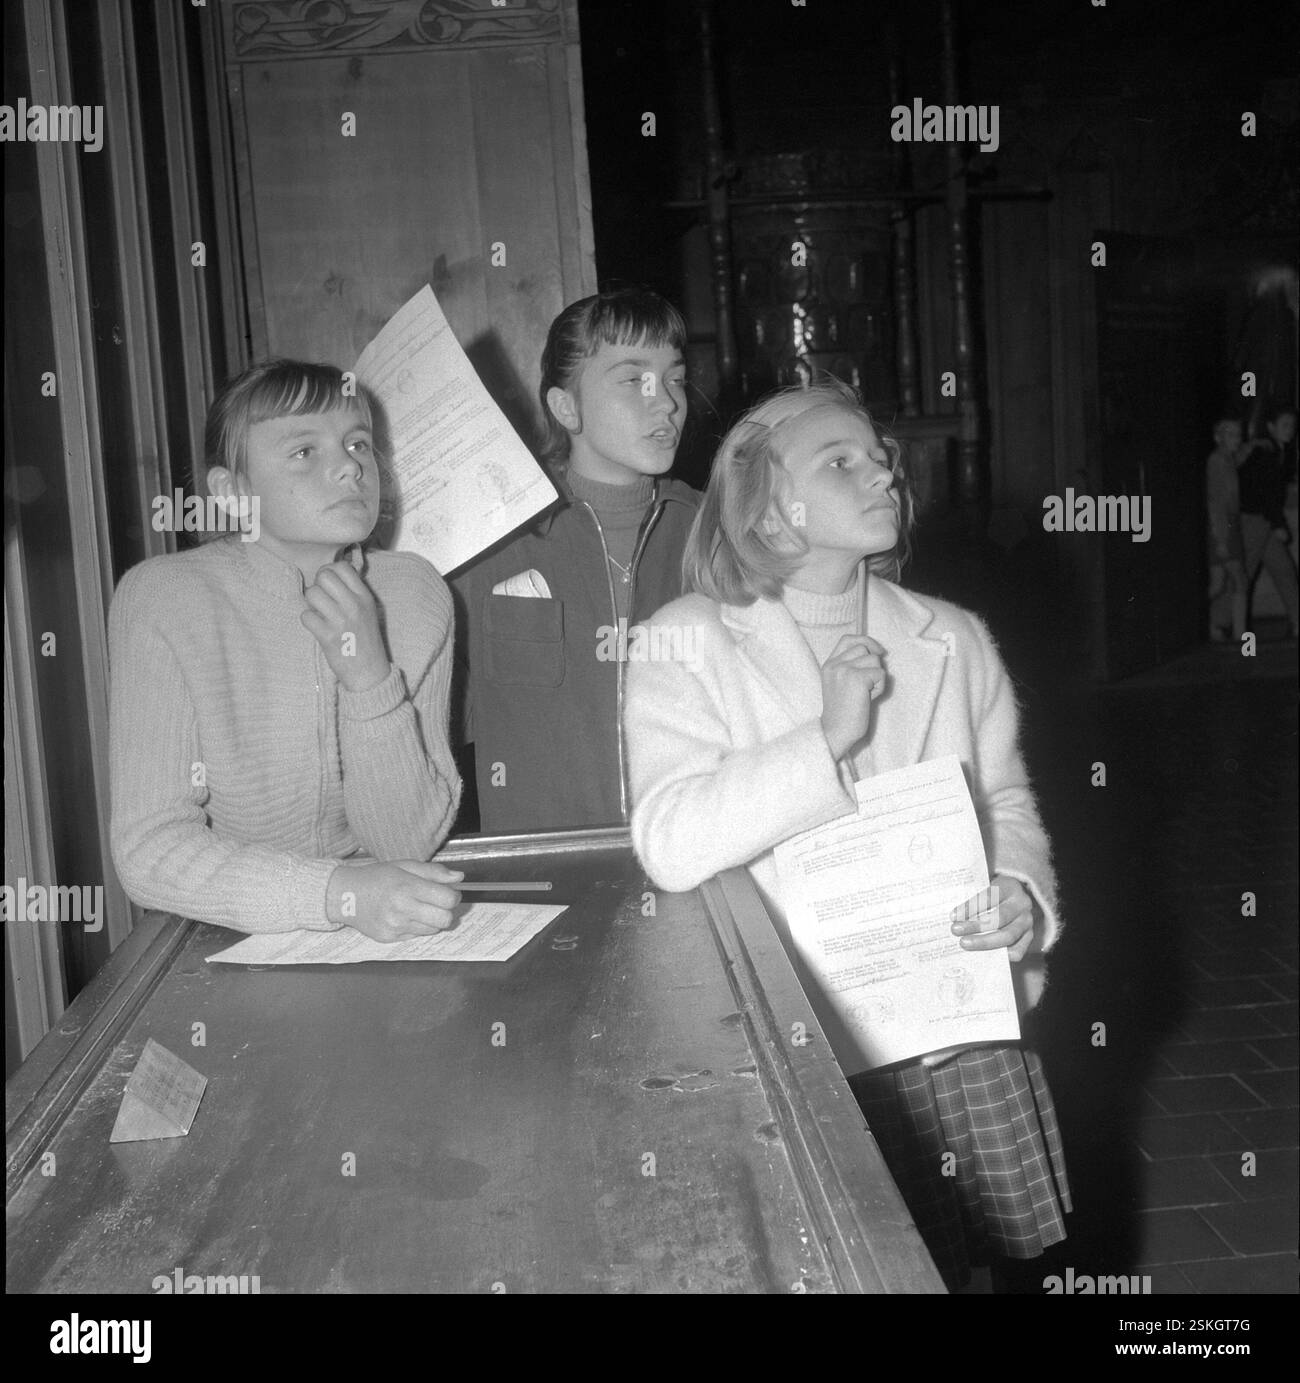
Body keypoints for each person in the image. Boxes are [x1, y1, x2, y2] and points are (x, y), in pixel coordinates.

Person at [625, 376, 1070, 1290]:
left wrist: (1023, 895)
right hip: (809, 1050)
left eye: (882, 460)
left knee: (974, 1275)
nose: (883, 476)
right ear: (774, 506)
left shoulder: (951, 635)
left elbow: (1008, 802)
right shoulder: (687, 642)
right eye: (841, 461)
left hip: (952, 1038)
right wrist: (823, 739)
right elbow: (669, 839)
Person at [109, 360, 464, 939]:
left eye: (359, 443)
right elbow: (151, 850)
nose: (350, 467)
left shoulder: (415, 591)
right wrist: (335, 894)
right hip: (224, 935)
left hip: (386, 924)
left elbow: (406, 842)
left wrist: (369, 676)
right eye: (304, 451)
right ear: (233, 492)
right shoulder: (164, 598)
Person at [452, 287, 699, 833]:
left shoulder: (713, 533)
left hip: (691, 853)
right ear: (566, 406)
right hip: (546, 869)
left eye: (676, 378)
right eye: (634, 379)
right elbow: (444, 718)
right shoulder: (491, 542)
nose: (668, 402)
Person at [1237, 404, 1299, 639]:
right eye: (1285, 425)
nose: (1290, 430)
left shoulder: (1279, 452)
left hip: (1263, 519)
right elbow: (1266, 495)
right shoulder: (1266, 453)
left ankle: (1297, 620)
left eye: (1292, 426)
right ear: (1271, 427)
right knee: (1246, 573)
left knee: (1283, 569)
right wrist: (1279, 525)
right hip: (1254, 520)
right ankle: (1221, 621)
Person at [1205, 417, 1248, 644]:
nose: (1237, 440)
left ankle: (1210, 626)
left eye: (1238, 435)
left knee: (1219, 582)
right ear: (1219, 437)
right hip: (1222, 528)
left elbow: (1241, 456)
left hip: (1228, 525)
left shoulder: (1228, 460)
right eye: (1231, 435)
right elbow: (1215, 503)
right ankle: (1240, 633)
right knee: (1238, 579)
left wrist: (1256, 444)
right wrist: (1221, 538)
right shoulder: (1217, 462)